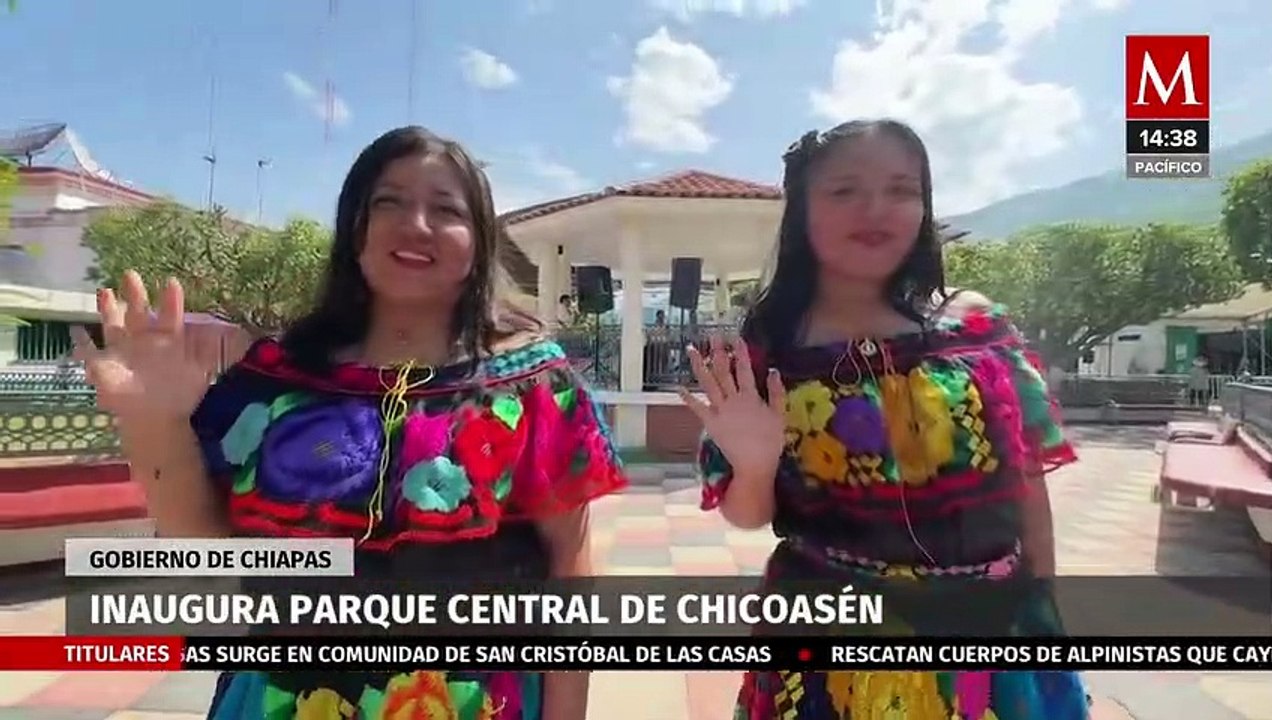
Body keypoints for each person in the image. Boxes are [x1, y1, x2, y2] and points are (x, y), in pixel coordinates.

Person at [72, 126, 627, 720]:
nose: (416, 224)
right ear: (355, 227)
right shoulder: (275, 379)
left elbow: (570, 571)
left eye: (446, 209)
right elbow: (202, 538)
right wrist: (155, 423)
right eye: (389, 201)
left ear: (479, 242)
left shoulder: (533, 385)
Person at [679, 120, 1088, 718]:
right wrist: (755, 463)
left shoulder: (977, 328)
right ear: (802, 214)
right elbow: (748, 515)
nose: (876, 209)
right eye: (845, 190)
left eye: (901, 189)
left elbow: (1027, 480)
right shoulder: (767, 352)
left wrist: (1045, 605)